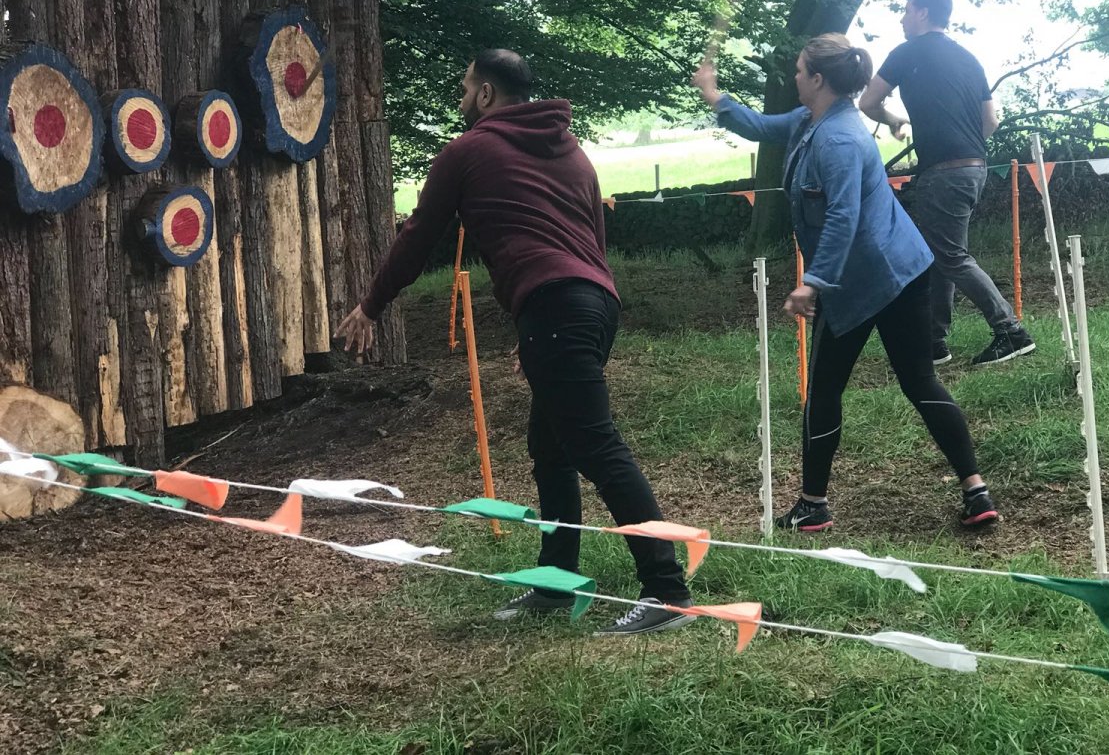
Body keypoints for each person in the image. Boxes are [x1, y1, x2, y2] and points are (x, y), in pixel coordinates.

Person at [336, 49, 695, 635]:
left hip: (558, 307)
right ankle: (556, 581)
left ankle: (667, 590)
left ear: (485, 94)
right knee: (550, 449)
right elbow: (592, 239)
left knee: (596, 448)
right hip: (591, 303)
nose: (460, 100)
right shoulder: (574, 152)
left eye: (463, 88)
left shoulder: (468, 149)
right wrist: (541, 328)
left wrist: (371, 304)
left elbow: (419, 233)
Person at [692, 34, 999, 529]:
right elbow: (762, 127)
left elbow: (842, 216)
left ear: (817, 79)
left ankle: (813, 506)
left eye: (798, 70)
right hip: (904, 268)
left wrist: (812, 282)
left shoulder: (838, 139)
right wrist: (714, 95)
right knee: (919, 381)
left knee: (830, 391)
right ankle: (976, 491)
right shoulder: (811, 120)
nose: (793, 77)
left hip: (867, 281)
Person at [858, 0, 1034, 366]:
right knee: (939, 254)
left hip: (944, 172)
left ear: (922, 13)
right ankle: (934, 342)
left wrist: (893, 121)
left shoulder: (906, 53)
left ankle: (1010, 330)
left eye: (906, 11)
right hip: (974, 167)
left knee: (951, 256)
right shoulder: (969, 58)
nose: (902, 18)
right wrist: (966, 150)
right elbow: (991, 121)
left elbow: (867, 102)